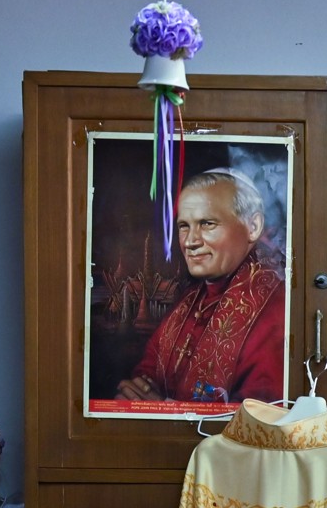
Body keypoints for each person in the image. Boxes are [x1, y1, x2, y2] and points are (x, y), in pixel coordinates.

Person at [116, 168, 286, 406]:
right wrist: (138, 393)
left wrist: (167, 410)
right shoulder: (192, 298)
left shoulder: (275, 308)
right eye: (184, 226)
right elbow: (148, 371)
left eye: (207, 223)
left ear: (253, 226)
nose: (190, 242)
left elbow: (261, 416)